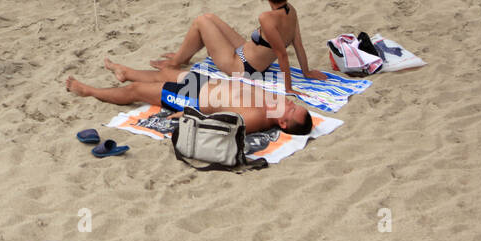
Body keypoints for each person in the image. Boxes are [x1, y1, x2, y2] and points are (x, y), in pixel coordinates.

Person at [149, 0, 327, 96]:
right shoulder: (291, 11)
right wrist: (306, 71)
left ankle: (175, 62)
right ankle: (183, 57)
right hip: (246, 54)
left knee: (201, 22)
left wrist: (288, 88)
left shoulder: (267, 18)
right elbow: (298, 45)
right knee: (209, 17)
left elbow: (282, 55)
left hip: (241, 67)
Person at [65, 59, 313, 135]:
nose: (291, 105)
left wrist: (192, 113)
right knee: (166, 73)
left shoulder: (259, 116)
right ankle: (125, 71)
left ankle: (89, 91)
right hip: (205, 84)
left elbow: (225, 122)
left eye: (291, 111)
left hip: (194, 100)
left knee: (138, 91)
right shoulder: (273, 103)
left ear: (282, 123)